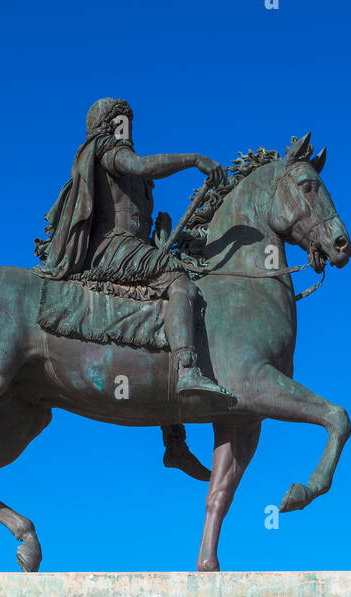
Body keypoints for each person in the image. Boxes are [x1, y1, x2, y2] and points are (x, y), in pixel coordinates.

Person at [35, 97, 235, 405]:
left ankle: (175, 440)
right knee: (180, 281)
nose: (126, 128)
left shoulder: (132, 174)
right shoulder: (107, 151)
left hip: (134, 247)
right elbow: (140, 166)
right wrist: (194, 159)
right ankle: (187, 369)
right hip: (113, 247)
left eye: (128, 122)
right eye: (120, 121)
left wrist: (161, 235)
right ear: (105, 125)